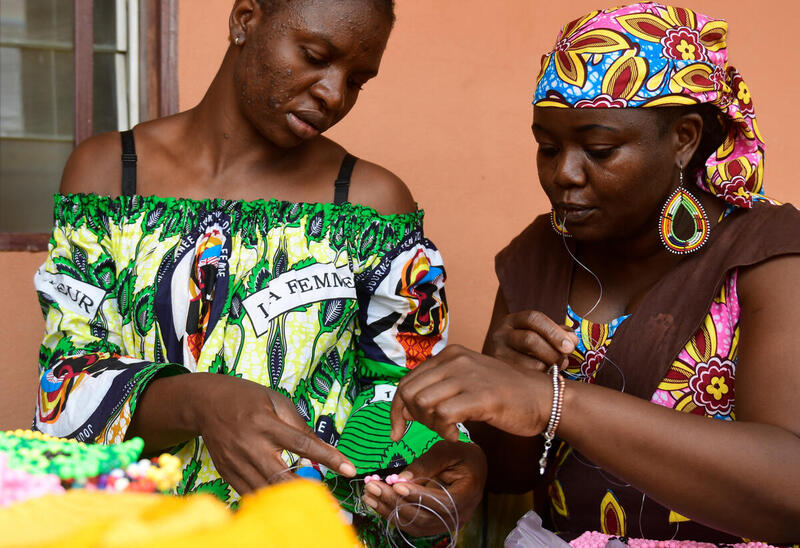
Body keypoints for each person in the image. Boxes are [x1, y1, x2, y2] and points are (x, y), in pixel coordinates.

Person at [32, 0, 485, 544]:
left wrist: (442, 464)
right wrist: (200, 402)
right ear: (245, 19)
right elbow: (64, 385)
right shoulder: (109, 176)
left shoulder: (371, 205)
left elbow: (406, 390)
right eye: (315, 55)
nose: (334, 95)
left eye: (357, 81)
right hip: (134, 533)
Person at [389, 2, 800, 543]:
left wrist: (553, 400)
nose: (564, 173)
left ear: (684, 138)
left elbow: (789, 491)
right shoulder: (540, 254)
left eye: (599, 150)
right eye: (547, 147)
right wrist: (469, 461)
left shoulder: (770, 255)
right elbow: (515, 473)